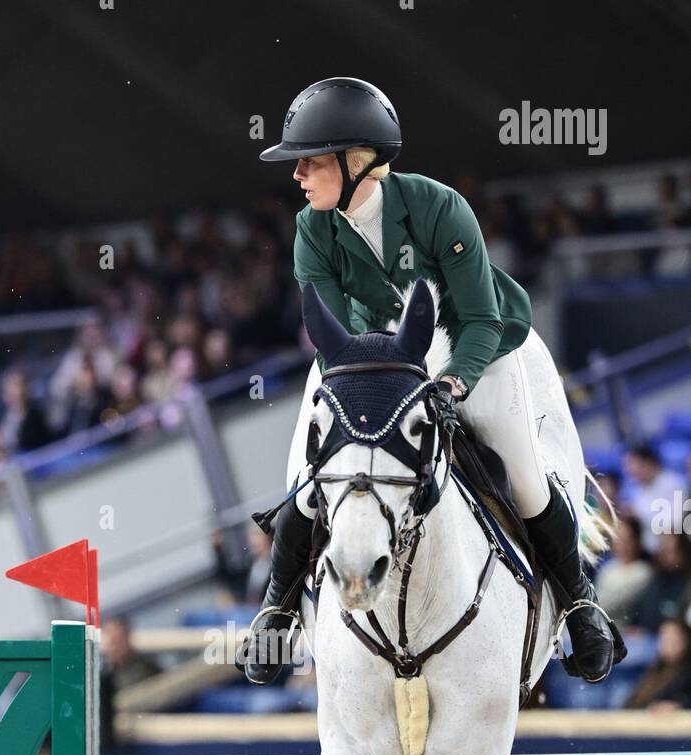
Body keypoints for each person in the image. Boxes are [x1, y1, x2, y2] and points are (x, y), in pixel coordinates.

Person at [240, 77, 625, 686]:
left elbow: (479, 319)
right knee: (309, 477)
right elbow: (333, 329)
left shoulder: (438, 206)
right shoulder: (313, 228)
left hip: (483, 349)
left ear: (356, 160)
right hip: (374, 362)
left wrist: (451, 387)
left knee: (521, 473)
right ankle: (277, 607)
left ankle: (578, 604)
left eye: (310, 162)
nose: (298, 175)